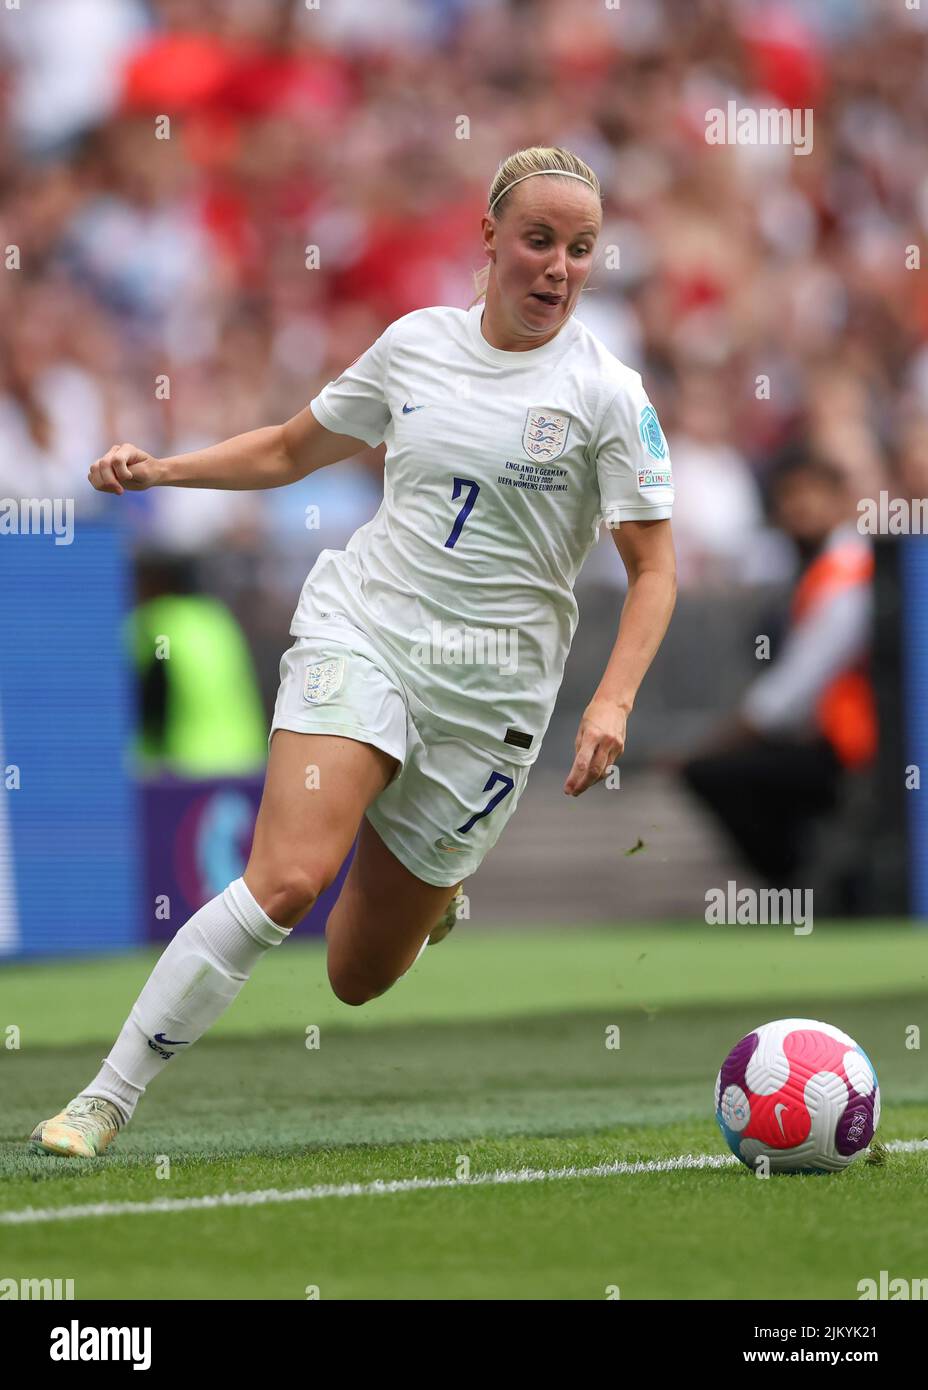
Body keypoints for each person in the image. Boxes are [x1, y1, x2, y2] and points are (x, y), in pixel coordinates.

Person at [29, 146, 677, 1158]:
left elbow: (654, 570)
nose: (558, 267)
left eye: (580, 249)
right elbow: (294, 447)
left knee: (356, 975)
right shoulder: (414, 345)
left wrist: (613, 703)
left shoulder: (604, 394)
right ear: (491, 240)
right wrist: (165, 468)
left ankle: (432, 899)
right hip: (366, 630)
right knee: (286, 877)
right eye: (539, 240)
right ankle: (104, 1099)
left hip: (492, 695)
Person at [680, 452, 876, 884]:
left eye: (811, 494)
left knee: (714, 775)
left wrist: (715, 745)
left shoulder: (846, 574)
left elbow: (794, 688)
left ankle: (800, 887)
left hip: (850, 744)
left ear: (842, 500)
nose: (798, 508)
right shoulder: (816, 567)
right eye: (789, 497)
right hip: (830, 738)